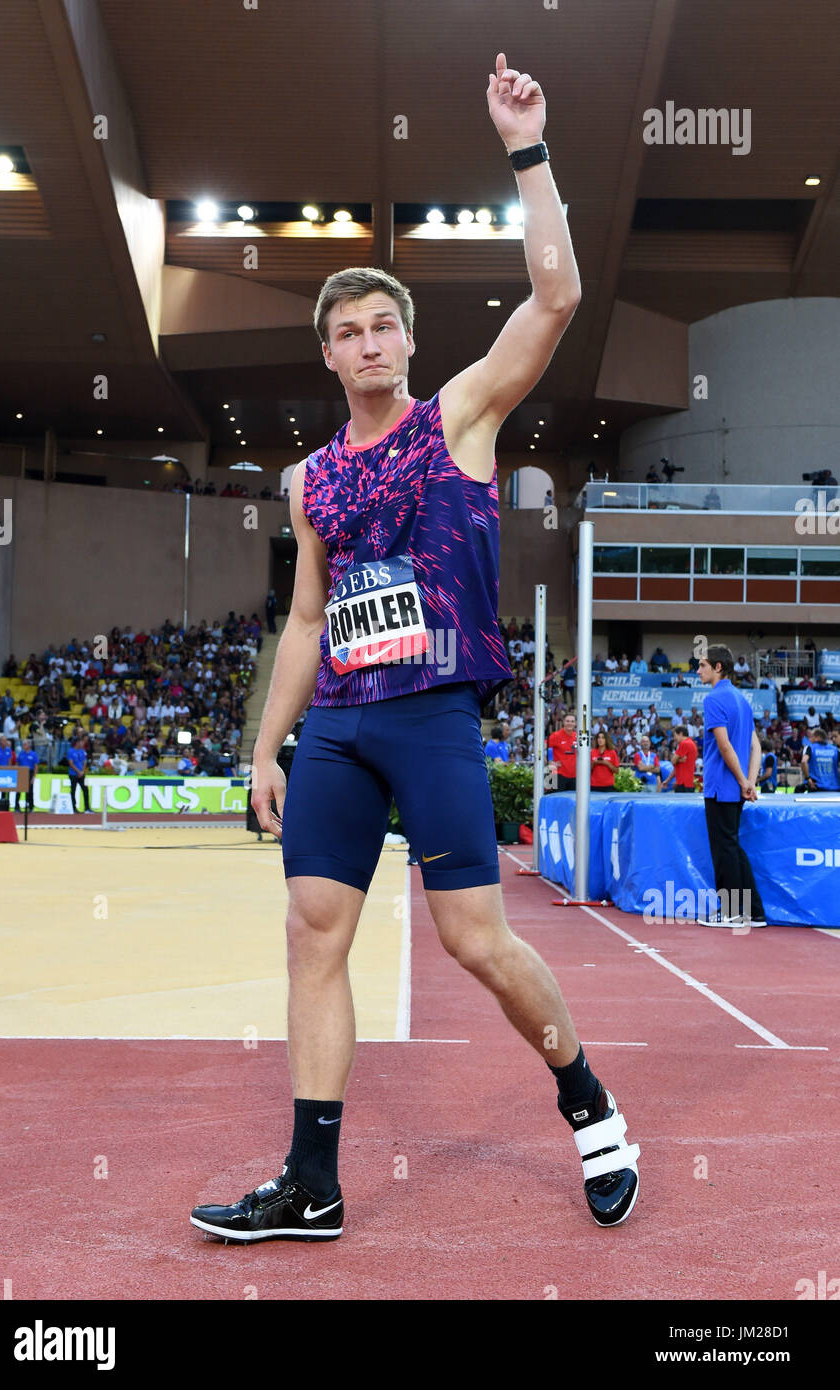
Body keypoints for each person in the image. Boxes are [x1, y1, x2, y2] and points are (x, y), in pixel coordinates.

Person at [191, 57, 639, 1246]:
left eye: (386, 322)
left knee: (474, 937)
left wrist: (528, 153)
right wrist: (266, 748)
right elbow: (301, 621)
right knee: (312, 931)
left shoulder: (460, 419)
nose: (371, 339)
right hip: (338, 722)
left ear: (406, 339)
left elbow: (553, 300)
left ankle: (587, 1099)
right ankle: (312, 1180)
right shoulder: (310, 481)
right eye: (349, 330)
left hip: (434, 711)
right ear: (330, 357)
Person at [696, 645, 767, 928]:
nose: (698, 670)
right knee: (733, 847)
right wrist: (749, 781)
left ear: (718, 668)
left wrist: (741, 781)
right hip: (735, 787)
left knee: (724, 850)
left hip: (721, 785)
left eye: (702, 665)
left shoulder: (714, 699)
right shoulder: (742, 699)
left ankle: (729, 913)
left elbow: (725, 746)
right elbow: (755, 746)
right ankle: (755, 912)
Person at [797, 727, 840, 792]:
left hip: (816, 787)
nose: (810, 739)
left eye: (811, 737)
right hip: (834, 787)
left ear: (818, 737)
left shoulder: (810, 747)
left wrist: (808, 779)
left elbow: (803, 762)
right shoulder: (835, 750)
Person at [661, 725, 697, 792]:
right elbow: (676, 767)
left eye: (675, 736)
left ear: (680, 734)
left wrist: (677, 759)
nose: (674, 738)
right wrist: (667, 781)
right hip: (684, 783)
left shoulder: (684, 744)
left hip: (683, 784)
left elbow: (673, 761)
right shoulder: (690, 743)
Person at [548, 712, 578, 791]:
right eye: (567, 721)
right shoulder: (555, 735)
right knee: (557, 799)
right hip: (558, 774)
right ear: (563, 722)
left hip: (574, 775)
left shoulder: (578, 736)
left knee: (573, 801)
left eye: (572, 721)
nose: (570, 723)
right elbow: (547, 749)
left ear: (575, 723)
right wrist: (550, 761)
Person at [67, 737, 91, 813]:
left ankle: (87, 808)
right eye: (81, 742)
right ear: (77, 743)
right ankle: (73, 808)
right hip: (73, 774)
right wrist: (78, 772)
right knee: (73, 791)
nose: (83, 744)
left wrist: (82, 771)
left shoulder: (82, 751)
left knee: (85, 790)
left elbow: (84, 762)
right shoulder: (70, 751)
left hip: (81, 774)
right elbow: (71, 763)